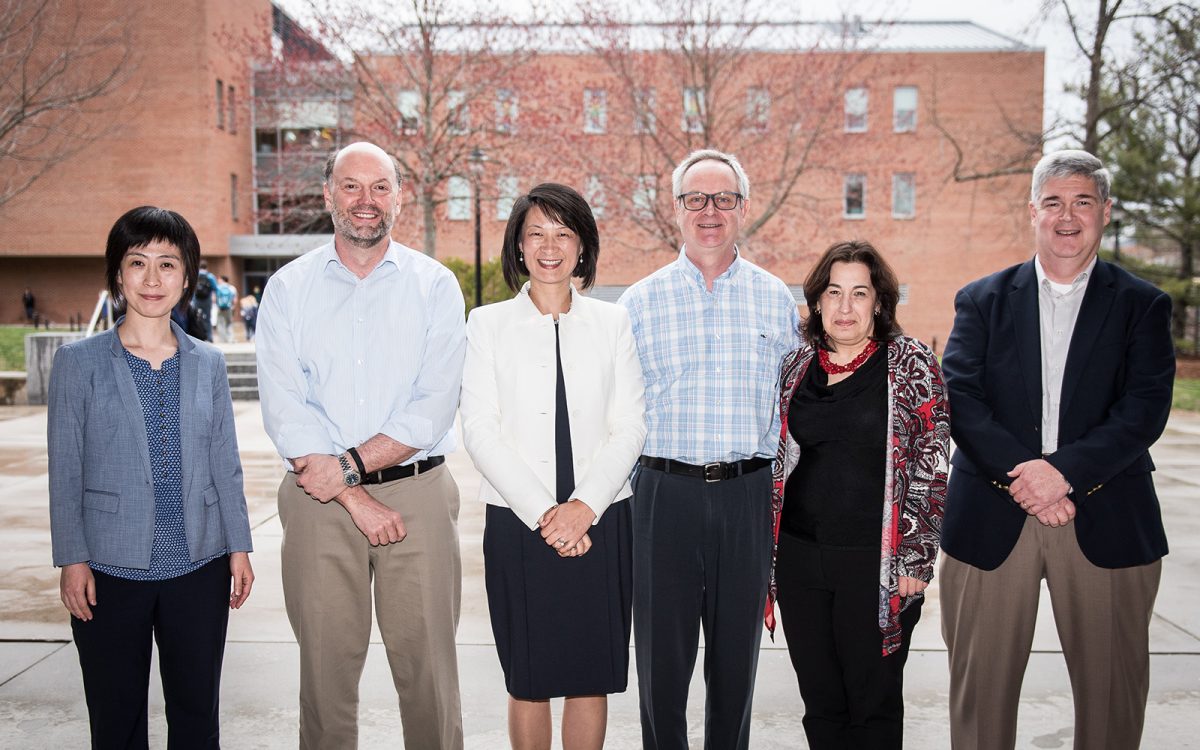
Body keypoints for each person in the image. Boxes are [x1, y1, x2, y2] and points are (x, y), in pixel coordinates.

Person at [940, 150, 1175, 750]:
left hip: (1106, 514)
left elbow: (1143, 410)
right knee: (980, 698)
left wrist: (1062, 474)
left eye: (1082, 202)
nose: (1067, 216)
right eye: (1053, 203)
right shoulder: (981, 300)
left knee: (1111, 700)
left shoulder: (1142, 304)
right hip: (993, 514)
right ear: (1033, 212)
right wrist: (1027, 479)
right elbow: (960, 399)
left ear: (1105, 211)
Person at [255, 141, 467, 749]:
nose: (366, 201)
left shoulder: (435, 286)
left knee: (430, 676)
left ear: (399, 197)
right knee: (324, 678)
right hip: (317, 503)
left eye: (380, 187)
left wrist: (347, 466)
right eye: (351, 186)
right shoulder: (289, 289)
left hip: (418, 496)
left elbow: (431, 406)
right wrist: (350, 492)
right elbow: (285, 408)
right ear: (328, 195)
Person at [47, 205, 255, 748]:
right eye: (137, 263)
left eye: (167, 264)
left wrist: (239, 547)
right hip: (109, 570)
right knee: (115, 722)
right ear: (118, 274)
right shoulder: (79, 363)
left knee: (196, 716)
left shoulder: (207, 363)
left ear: (187, 275)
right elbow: (64, 470)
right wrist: (72, 558)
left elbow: (224, 463)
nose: (152, 278)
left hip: (199, 567)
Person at [618, 149, 801, 750]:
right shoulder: (638, 303)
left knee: (735, 667)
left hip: (746, 496)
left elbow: (794, 409)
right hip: (662, 494)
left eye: (724, 198)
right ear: (676, 210)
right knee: (660, 669)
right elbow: (616, 413)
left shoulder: (776, 299)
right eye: (695, 198)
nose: (710, 211)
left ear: (743, 209)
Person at [460, 183, 646, 750]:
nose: (549, 245)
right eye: (536, 232)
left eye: (564, 233)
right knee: (529, 675)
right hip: (520, 521)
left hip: (602, 520)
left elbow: (631, 427)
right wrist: (549, 515)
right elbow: (479, 430)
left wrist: (584, 508)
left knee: (592, 672)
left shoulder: (613, 324)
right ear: (518, 245)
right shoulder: (486, 325)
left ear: (583, 246)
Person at [768, 240, 949, 749]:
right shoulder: (795, 366)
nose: (845, 307)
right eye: (834, 292)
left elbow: (931, 464)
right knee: (821, 705)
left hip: (877, 562)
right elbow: (781, 464)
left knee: (873, 707)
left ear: (879, 303)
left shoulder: (910, 363)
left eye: (859, 294)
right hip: (802, 559)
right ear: (817, 301)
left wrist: (917, 558)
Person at [191, 260, 217, 342]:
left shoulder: (195, 275)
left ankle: (196, 336)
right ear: (206, 267)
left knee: (196, 317)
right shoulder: (210, 276)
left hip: (196, 299)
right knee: (208, 318)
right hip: (207, 299)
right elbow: (215, 288)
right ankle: (209, 337)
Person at [215, 275, 237, 343]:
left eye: (219, 279)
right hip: (229, 308)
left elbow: (214, 298)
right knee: (229, 323)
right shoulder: (232, 288)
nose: (218, 281)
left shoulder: (218, 287)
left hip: (220, 308)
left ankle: (222, 340)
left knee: (220, 324)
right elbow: (235, 299)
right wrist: (233, 307)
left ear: (222, 280)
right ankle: (230, 339)